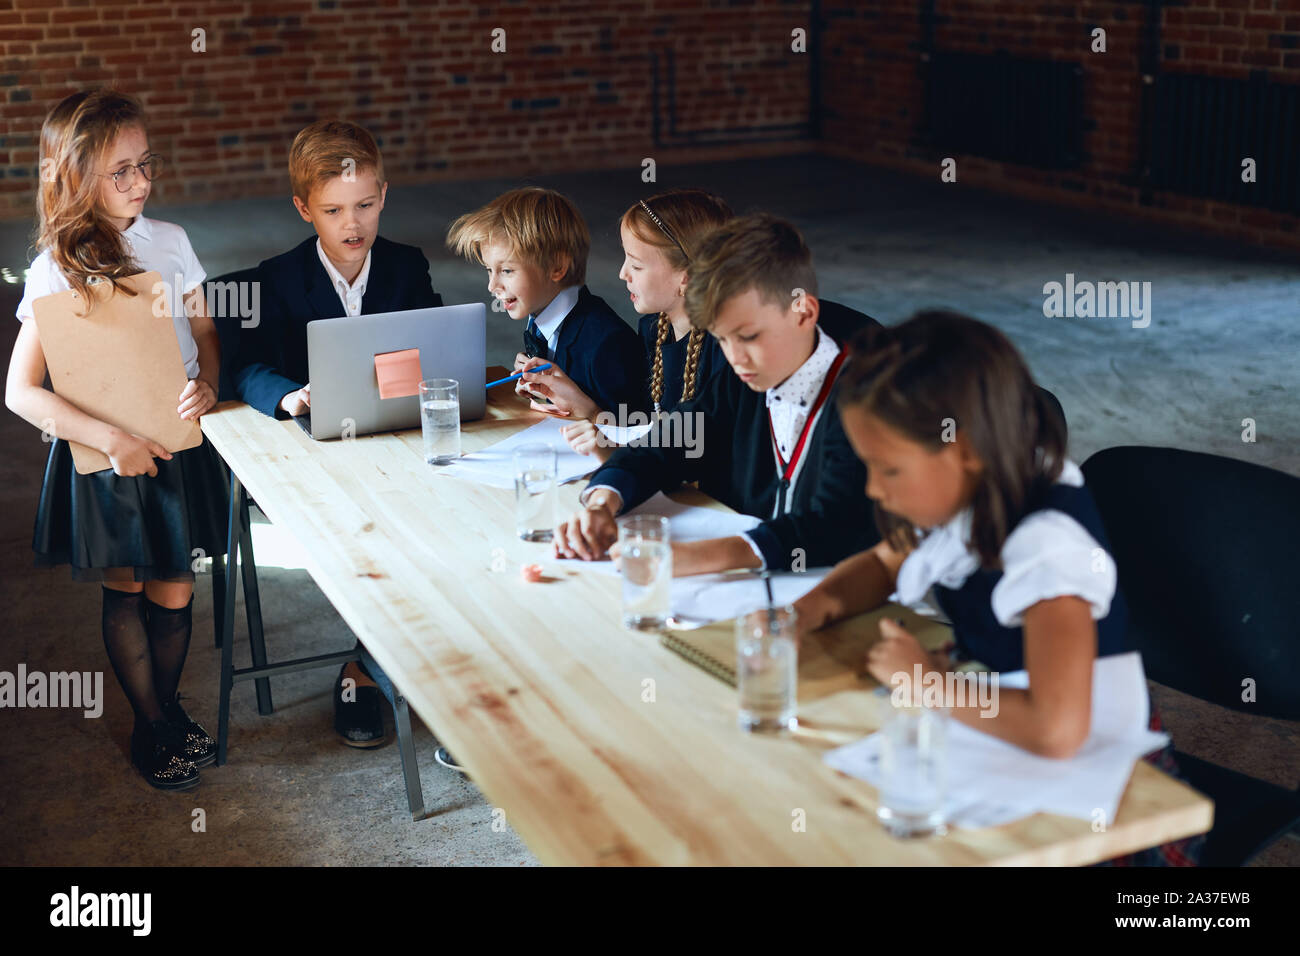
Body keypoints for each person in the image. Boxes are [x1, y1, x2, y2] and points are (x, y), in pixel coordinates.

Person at [793, 310, 1202, 865]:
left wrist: (927, 681)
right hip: (993, 734)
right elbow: (885, 562)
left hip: (1099, 796)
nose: (872, 488)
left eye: (887, 469)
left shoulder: (1047, 547)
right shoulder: (966, 491)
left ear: (962, 449)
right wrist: (802, 612)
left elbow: (1057, 730)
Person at [5, 89, 229, 791]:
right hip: (104, 457)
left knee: (175, 584)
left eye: (144, 164)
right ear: (75, 179)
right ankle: (151, 725)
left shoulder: (171, 243)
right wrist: (111, 438)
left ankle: (166, 706)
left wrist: (209, 385)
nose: (141, 182)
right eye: (120, 171)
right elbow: (20, 391)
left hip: (176, 441)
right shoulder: (54, 269)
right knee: (127, 586)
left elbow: (205, 335)